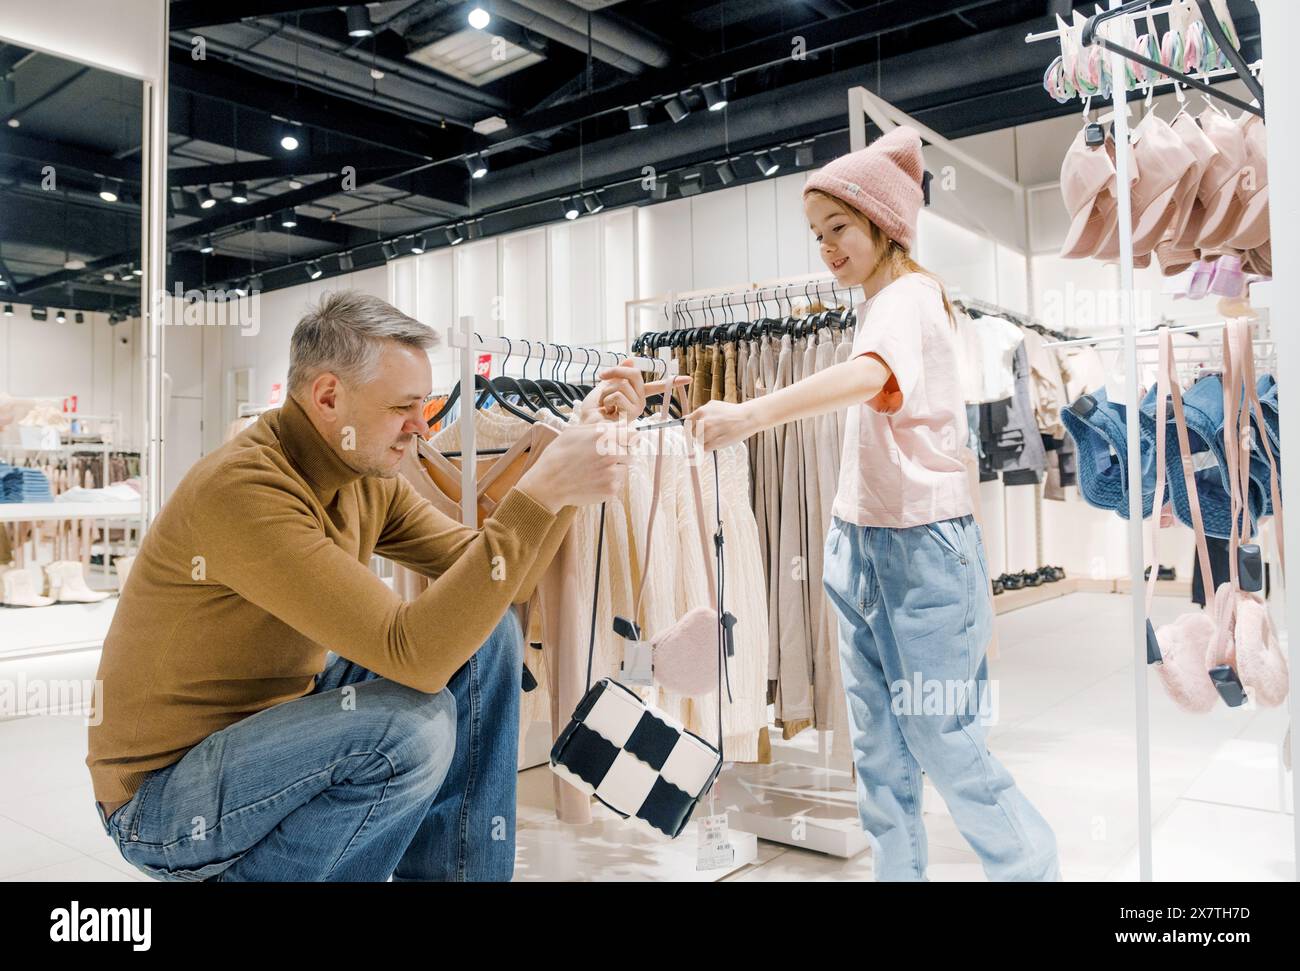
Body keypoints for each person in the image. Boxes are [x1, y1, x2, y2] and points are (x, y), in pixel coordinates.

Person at [87, 290, 681, 882]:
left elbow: (506, 581)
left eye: (423, 405)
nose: (421, 428)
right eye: (403, 407)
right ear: (327, 396)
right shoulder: (244, 490)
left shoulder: (361, 474)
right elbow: (415, 657)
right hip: (162, 799)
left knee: (488, 630)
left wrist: (572, 462)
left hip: (268, 737)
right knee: (405, 730)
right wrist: (544, 490)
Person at [689, 127, 1060, 882]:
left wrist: (750, 413)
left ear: (885, 224)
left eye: (839, 229)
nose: (826, 248)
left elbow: (866, 376)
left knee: (944, 740)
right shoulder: (884, 302)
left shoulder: (908, 296)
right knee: (880, 754)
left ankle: (1032, 870)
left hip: (921, 551)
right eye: (817, 233)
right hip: (859, 542)